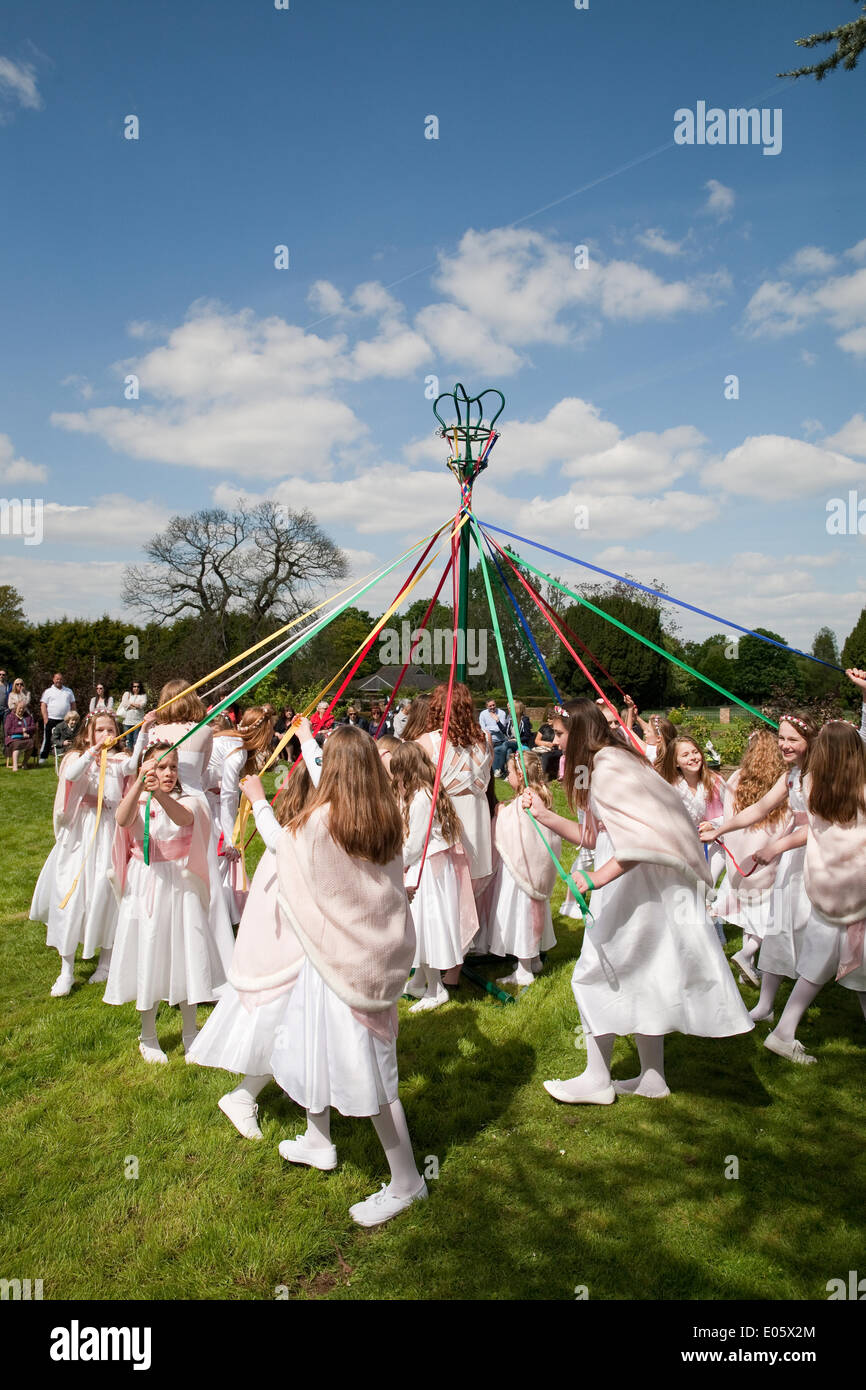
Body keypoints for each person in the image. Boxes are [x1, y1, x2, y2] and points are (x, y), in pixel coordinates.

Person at [524, 699, 752, 1104]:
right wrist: (544, 815)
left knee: (595, 972)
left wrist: (594, 877)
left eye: (559, 734)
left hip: (640, 884)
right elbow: (597, 837)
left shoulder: (609, 768)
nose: (554, 742)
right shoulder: (609, 763)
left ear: (577, 732)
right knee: (647, 974)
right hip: (648, 883)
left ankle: (597, 1080)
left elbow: (640, 842)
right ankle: (652, 1078)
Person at [269, 726, 427, 1228]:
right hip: (364, 961)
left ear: (331, 771)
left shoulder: (317, 825)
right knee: (316, 1043)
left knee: (378, 1077)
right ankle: (318, 1136)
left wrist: (255, 798)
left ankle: (408, 1181)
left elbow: (282, 848)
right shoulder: (385, 820)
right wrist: (311, 743)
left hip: (343, 963)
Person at [186, 763, 313, 1139]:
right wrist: (258, 801)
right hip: (288, 947)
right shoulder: (294, 835)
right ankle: (244, 1095)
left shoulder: (304, 829)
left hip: (294, 942)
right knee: (285, 1021)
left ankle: (299, 1092)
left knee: (300, 1022)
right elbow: (278, 843)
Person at [104, 743, 228, 1062]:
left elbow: (184, 819)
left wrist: (160, 793)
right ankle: (147, 1035)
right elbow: (121, 819)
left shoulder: (189, 800)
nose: (168, 772)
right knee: (150, 949)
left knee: (185, 953)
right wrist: (138, 787)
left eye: (172, 766)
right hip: (147, 883)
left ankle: (191, 1031)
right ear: (146, 769)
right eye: (160, 767)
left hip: (180, 884)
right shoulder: (138, 800)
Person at [751, 720, 866, 1064]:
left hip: (825, 888)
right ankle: (784, 1032)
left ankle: (784, 1031)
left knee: (841, 964)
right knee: (823, 963)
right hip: (856, 890)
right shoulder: (861, 789)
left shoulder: (813, 785)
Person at [701, 712, 820, 1024]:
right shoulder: (790, 777)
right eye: (781, 738)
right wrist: (721, 829)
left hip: (818, 859)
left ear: (810, 740)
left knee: (826, 935)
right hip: (793, 863)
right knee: (779, 930)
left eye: (792, 738)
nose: (784, 744)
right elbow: (758, 808)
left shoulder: (820, 776)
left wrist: (777, 846)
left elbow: (819, 828)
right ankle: (766, 1007)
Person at [30, 712, 136, 994]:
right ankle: (66, 970)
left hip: (109, 833)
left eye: (110, 729)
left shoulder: (120, 761)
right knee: (72, 895)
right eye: (99, 729)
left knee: (105, 892)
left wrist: (146, 731)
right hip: (80, 834)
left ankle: (106, 961)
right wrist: (93, 752)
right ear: (89, 732)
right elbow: (71, 776)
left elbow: (133, 770)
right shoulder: (77, 757)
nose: (105, 734)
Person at [133, 678, 236, 963]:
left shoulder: (153, 730)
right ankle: (210, 951)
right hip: (193, 802)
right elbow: (201, 774)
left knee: (168, 875)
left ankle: (164, 949)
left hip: (160, 802)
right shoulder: (204, 731)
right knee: (204, 875)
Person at [389, 740, 478, 1013]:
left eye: (397, 772)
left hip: (427, 870)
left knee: (425, 926)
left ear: (407, 770)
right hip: (432, 867)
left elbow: (415, 844)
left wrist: (395, 864)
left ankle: (435, 989)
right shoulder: (426, 793)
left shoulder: (420, 799)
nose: (396, 779)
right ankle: (419, 980)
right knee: (422, 925)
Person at [415, 683, 493, 952]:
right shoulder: (485, 737)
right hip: (477, 814)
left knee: (449, 882)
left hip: (448, 817)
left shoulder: (427, 743)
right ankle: (463, 943)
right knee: (467, 882)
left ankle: (449, 946)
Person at [709, 731, 789, 987]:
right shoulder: (782, 782)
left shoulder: (735, 778)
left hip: (739, 859)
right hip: (765, 858)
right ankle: (746, 955)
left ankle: (748, 971)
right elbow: (783, 823)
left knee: (748, 914)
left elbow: (728, 809)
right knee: (768, 916)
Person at [480, 751, 560, 989]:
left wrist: (500, 814)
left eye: (510, 772)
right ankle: (533, 960)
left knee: (521, 913)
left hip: (522, 871)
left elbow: (518, 828)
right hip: (533, 870)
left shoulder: (526, 799)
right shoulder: (539, 795)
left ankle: (524, 970)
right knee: (531, 911)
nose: (507, 776)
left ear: (520, 774)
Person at [39, 673, 76, 761]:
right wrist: (45, 719)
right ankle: (43, 757)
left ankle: (66, 756)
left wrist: (73, 716)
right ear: (53, 679)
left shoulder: (68, 691)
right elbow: (43, 705)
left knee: (67, 738)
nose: (58, 681)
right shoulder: (48, 691)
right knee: (47, 739)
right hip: (51, 719)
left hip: (65, 720)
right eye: (57, 679)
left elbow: (73, 704)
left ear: (63, 680)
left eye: (60, 679)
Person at [479, 698, 509, 776]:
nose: (492, 707)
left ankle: (498, 770)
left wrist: (489, 728)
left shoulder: (502, 713)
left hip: (500, 740)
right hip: (488, 740)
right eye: (490, 706)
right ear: (487, 706)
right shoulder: (483, 714)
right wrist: (493, 728)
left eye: (493, 705)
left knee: (499, 753)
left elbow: (500, 728)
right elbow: (482, 728)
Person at [4, 701, 36, 771]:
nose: (21, 710)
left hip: (25, 738)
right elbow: (8, 730)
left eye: (23, 708)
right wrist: (22, 730)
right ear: (16, 708)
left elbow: (33, 727)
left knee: (31, 743)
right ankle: (15, 766)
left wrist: (26, 730)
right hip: (13, 739)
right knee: (17, 745)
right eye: (20, 708)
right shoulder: (10, 717)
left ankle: (24, 763)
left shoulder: (28, 717)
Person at [116, 681, 147, 753]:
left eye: (138, 686)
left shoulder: (143, 695)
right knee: (128, 740)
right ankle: (129, 754)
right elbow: (124, 704)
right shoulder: (127, 694)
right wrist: (135, 705)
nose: (136, 688)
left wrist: (130, 704)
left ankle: (136, 755)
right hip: (127, 721)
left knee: (136, 739)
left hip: (138, 721)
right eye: (134, 686)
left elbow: (142, 705)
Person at [534, 707, 562, 780]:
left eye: (550, 718)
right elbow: (537, 740)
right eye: (548, 718)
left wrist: (553, 745)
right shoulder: (544, 727)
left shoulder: (559, 729)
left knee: (546, 755)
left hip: (556, 750)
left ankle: (542, 777)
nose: (548, 720)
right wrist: (546, 744)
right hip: (544, 748)